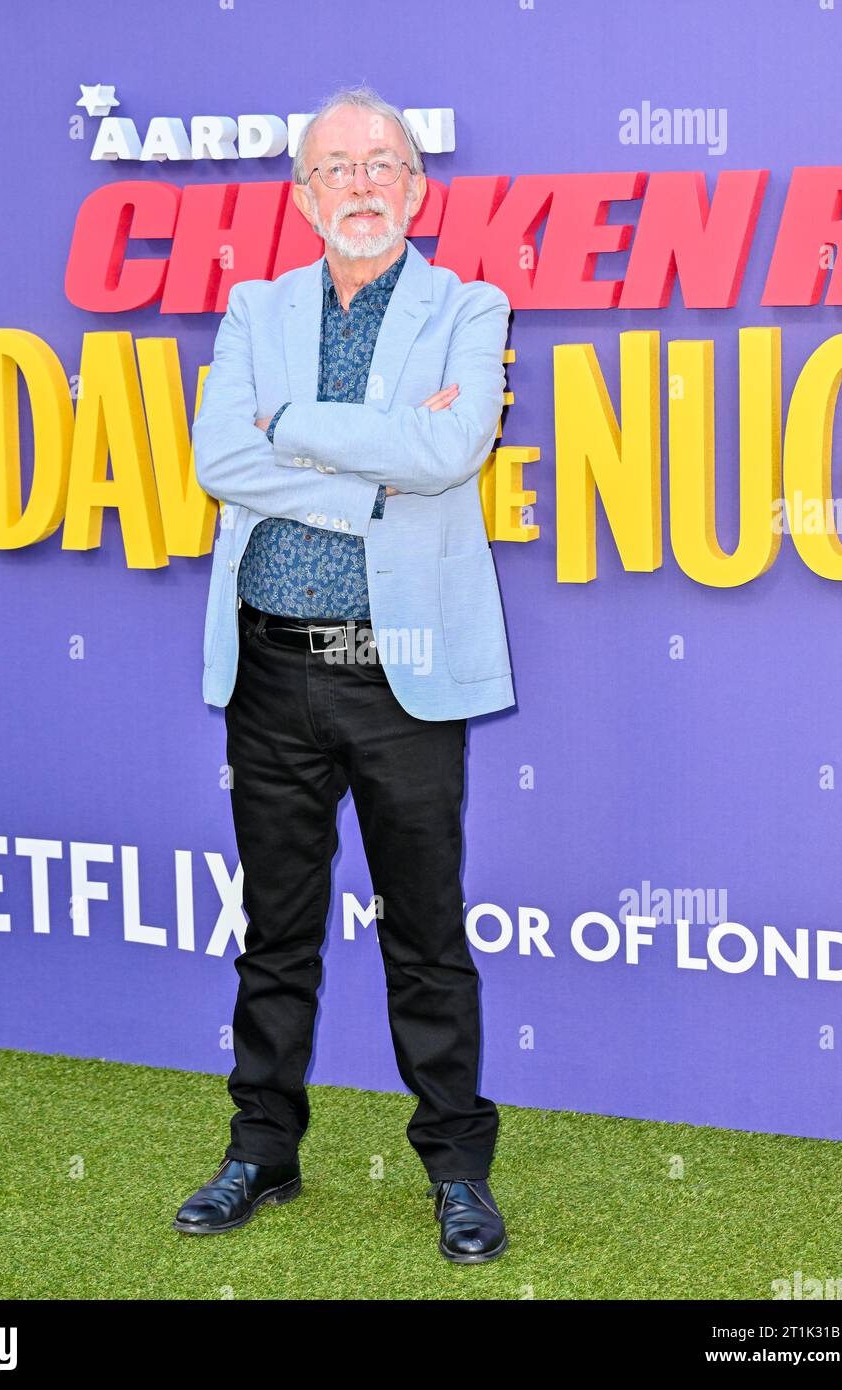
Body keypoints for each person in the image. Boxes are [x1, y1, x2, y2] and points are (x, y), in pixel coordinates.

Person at [176, 84, 515, 1263]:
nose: (361, 185)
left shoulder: (472, 305)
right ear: (303, 195)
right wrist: (370, 463)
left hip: (401, 676)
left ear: (416, 189)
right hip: (269, 669)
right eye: (336, 168)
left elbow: (448, 446)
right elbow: (223, 458)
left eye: (383, 165)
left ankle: (459, 1170)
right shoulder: (254, 306)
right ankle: (260, 1148)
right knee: (275, 932)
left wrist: (297, 426)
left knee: (425, 933)